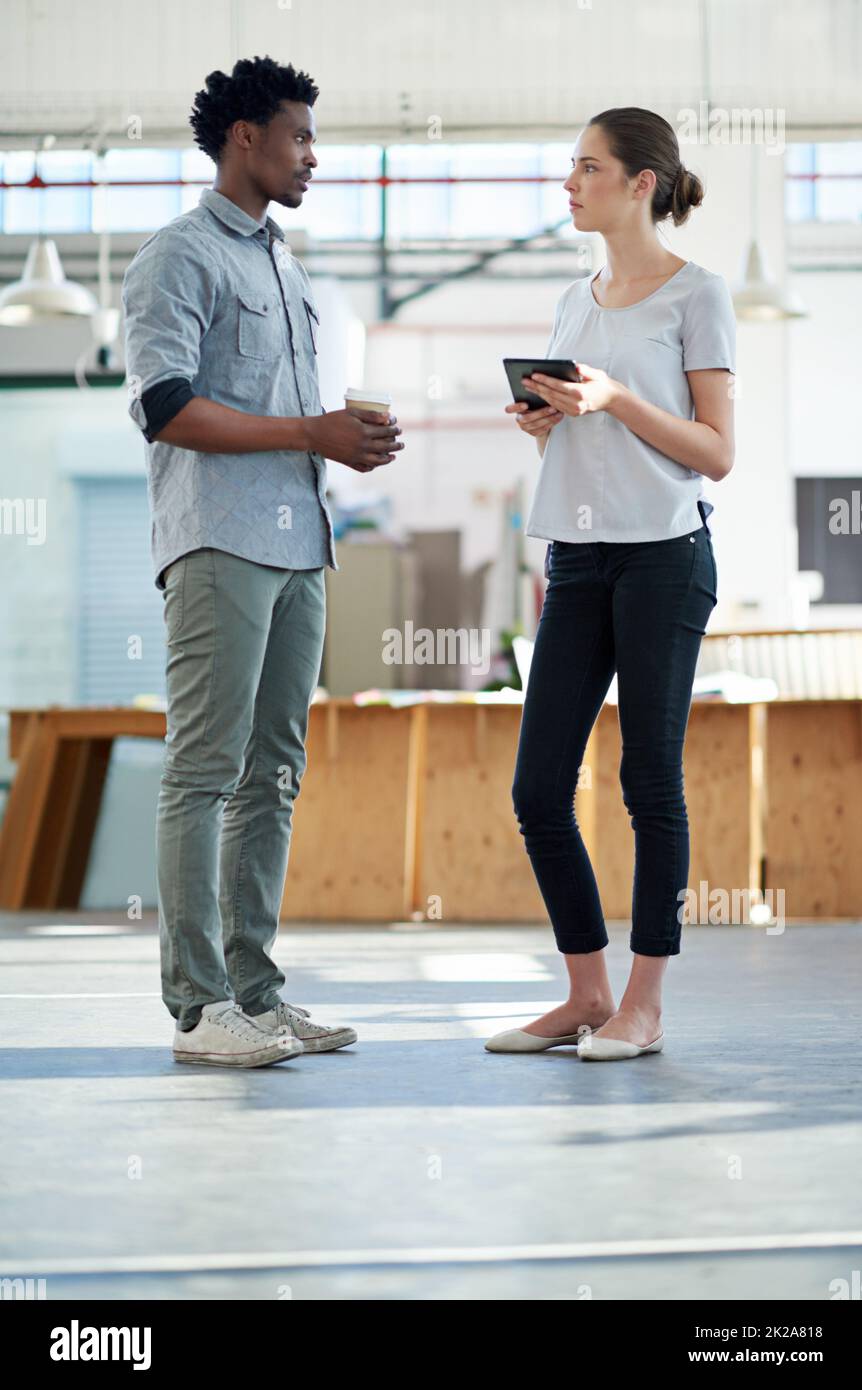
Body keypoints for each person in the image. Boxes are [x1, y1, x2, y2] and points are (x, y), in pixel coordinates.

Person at [122, 56, 403, 1067]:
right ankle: (200, 1010)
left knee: (274, 774)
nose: (312, 157)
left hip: (300, 545)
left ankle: (258, 993)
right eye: (298, 137)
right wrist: (308, 432)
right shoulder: (178, 255)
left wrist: (348, 439)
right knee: (205, 767)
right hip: (217, 540)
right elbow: (169, 408)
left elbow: (305, 420)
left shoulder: (287, 269)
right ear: (245, 138)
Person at [487, 107, 736, 1062]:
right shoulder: (573, 299)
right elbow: (584, 422)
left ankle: (646, 1002)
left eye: (587, 168)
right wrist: (549, 418)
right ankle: (586, 992)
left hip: (662, 556)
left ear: (641, 183)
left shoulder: (695, 295)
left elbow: (716, 453)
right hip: (576, 558)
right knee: (538, 787)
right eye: (569, 168)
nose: (569, 183)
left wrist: (615, 399)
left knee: (647, 780)